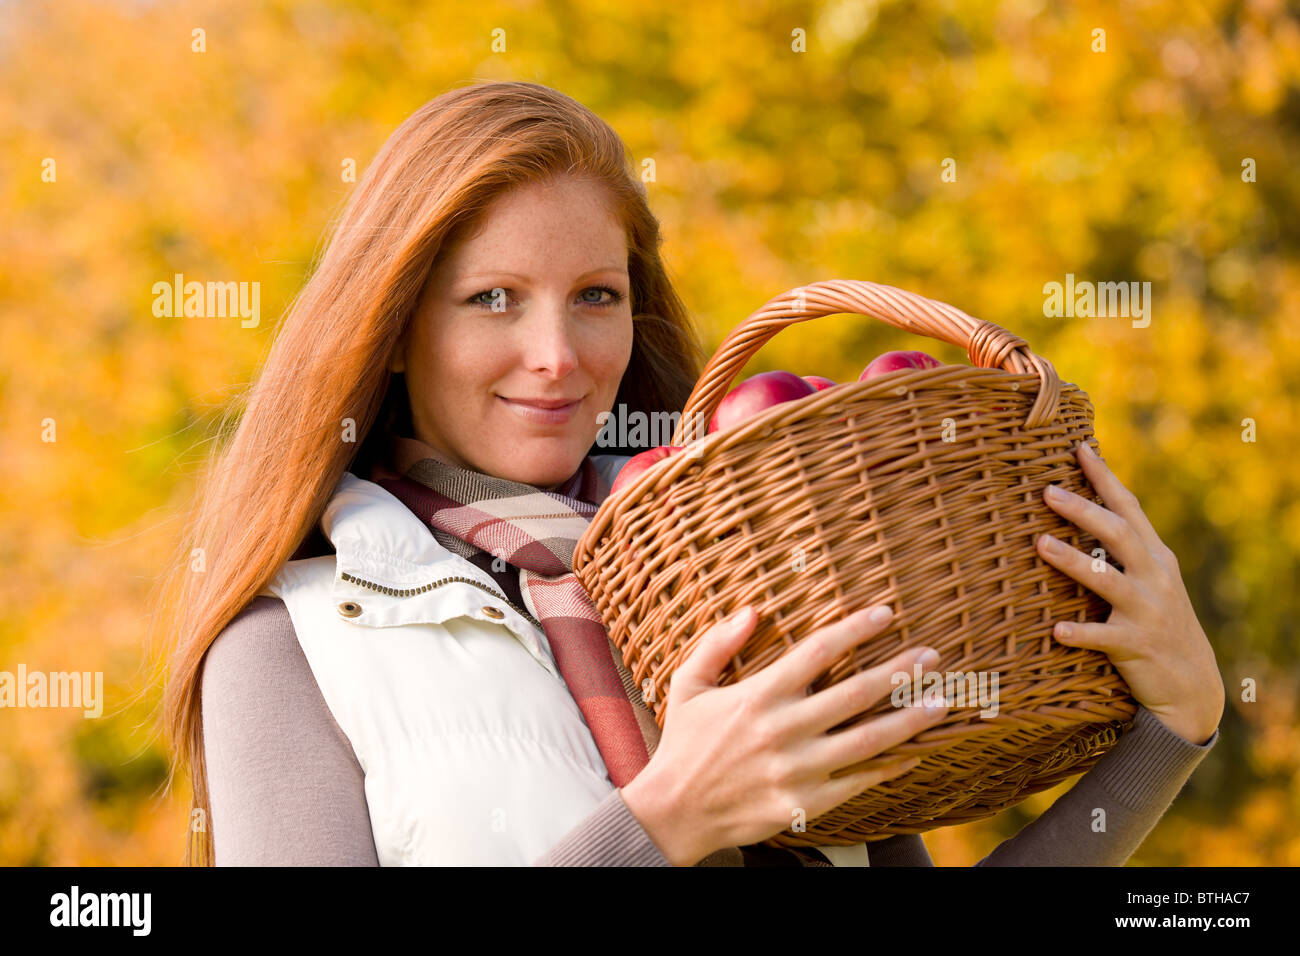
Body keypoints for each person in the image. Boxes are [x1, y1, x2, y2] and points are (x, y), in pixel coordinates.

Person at [157, 80, 1223, 867]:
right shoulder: (290, 648)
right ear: (394, 329)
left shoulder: (746, 579)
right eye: (493, 299)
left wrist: (1167, 731)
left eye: (595, 295)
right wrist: (660, 825)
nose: (557, 356)